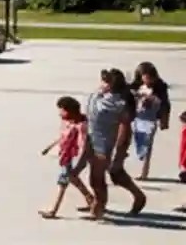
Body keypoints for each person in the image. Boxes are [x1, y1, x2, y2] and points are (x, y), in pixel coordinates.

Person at [85, 68, 146, 220]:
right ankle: (138, 196)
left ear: (112, 84)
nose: (101, 84)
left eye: (105, 81)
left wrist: (119, 152)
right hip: (92, 140)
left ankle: (98, 207)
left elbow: (124, 129)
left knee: (97, 178)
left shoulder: (120, 103)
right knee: (116, 175)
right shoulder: (100, 95)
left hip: (105, 144)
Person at [40, 96, 95, 219]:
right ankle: (91, 199)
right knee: (74, 180)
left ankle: (54, 210)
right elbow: (63, 137)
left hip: (72, 158)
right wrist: (50, 147)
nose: (60, 114)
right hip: (65, 157)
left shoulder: (80, 126)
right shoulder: (69, 123)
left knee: (62, 183)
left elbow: (83, 144)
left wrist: (79, 161)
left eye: (62, 110)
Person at [131, 62, 170, 181]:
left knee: (147, 145)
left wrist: (164, 120)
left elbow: (165, 105)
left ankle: (144, 172)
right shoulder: (136, 85)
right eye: (145, 77)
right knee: (139, 142)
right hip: (137, 118)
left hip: (150, 120)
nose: (148, 80)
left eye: (150, 78)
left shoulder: (160, 88)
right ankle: (141, 157)